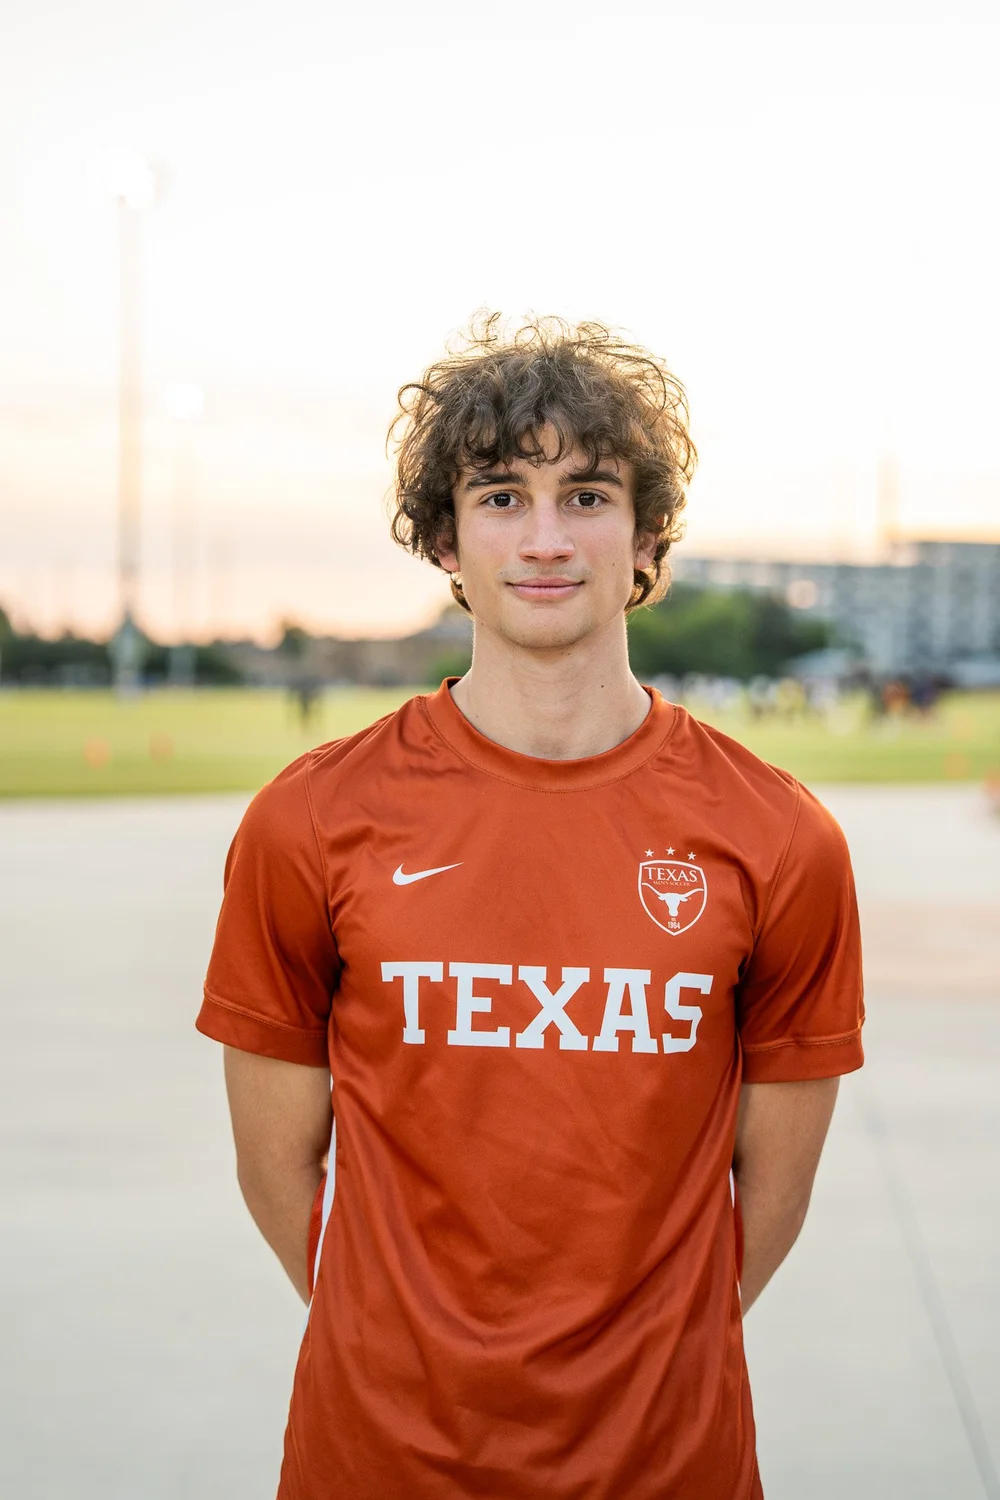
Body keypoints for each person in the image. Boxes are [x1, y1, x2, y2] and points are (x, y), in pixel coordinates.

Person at [196, 316, 864, 1500]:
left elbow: (772, 1194)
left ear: (646, 535)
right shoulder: (310, 820)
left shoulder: (779, 837)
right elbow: (274, 1169)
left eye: (587, 495)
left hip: (667, 1462)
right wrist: (406, 1342)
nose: (545, 538)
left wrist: (639, 1364)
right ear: (444, 539)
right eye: (500, 496)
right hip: (377, 1457)